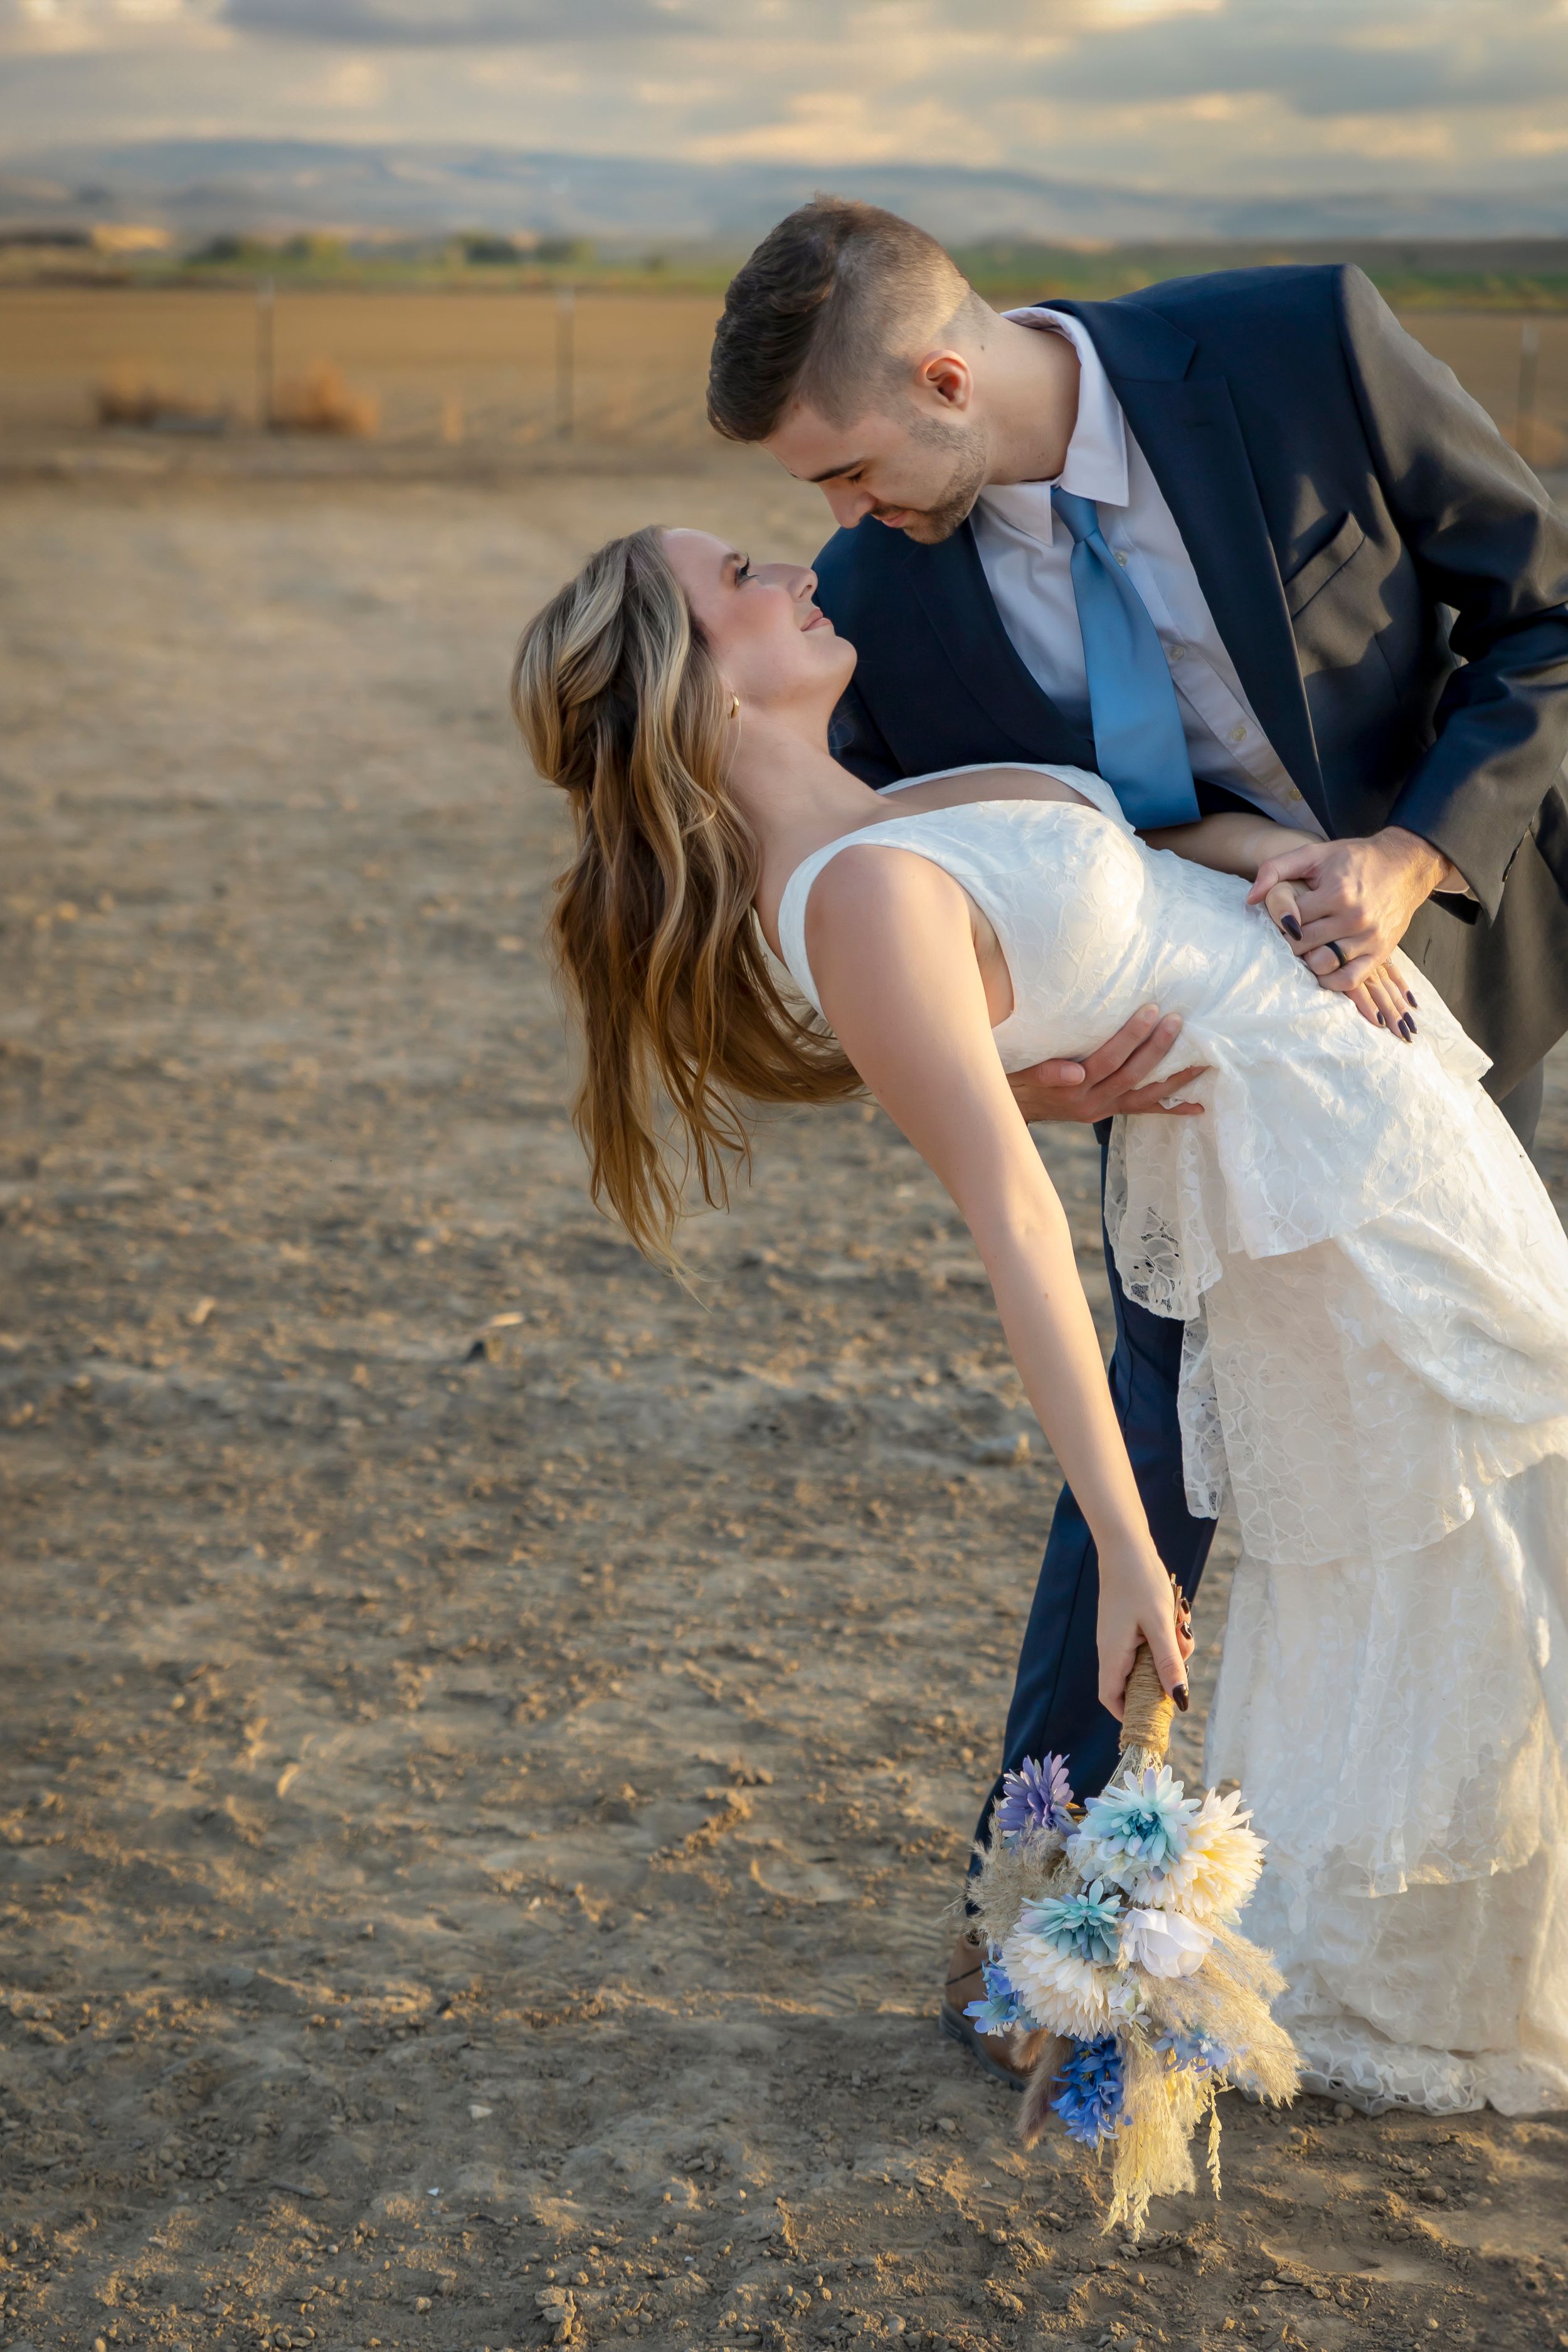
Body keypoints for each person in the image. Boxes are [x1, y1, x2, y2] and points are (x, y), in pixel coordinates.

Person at [512, 524, 1568, 2117]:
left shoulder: (897, 811)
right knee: (1496, 1531)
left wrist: (1269, 860)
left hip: (1386, 1115)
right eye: (739, 577)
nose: (788, 568)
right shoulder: (858, 896)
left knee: (1496, 1544)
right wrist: (1126, 1543)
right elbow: (1010, 1224)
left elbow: (1128, 855)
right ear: (700, 691)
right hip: (1325, 1207)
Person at [704, 199, 1568, 2081]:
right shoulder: (871, 603)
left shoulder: (1297, 347)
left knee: (1495, 1434)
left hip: (1462, 962)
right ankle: (1036, 1910)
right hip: (1177, 1056)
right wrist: (1019, 1078)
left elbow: (1546, 613)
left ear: (945, 377)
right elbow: (899, 913)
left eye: (848, 465)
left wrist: (1413, 854)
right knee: (1157, 1426)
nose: (841, 516)